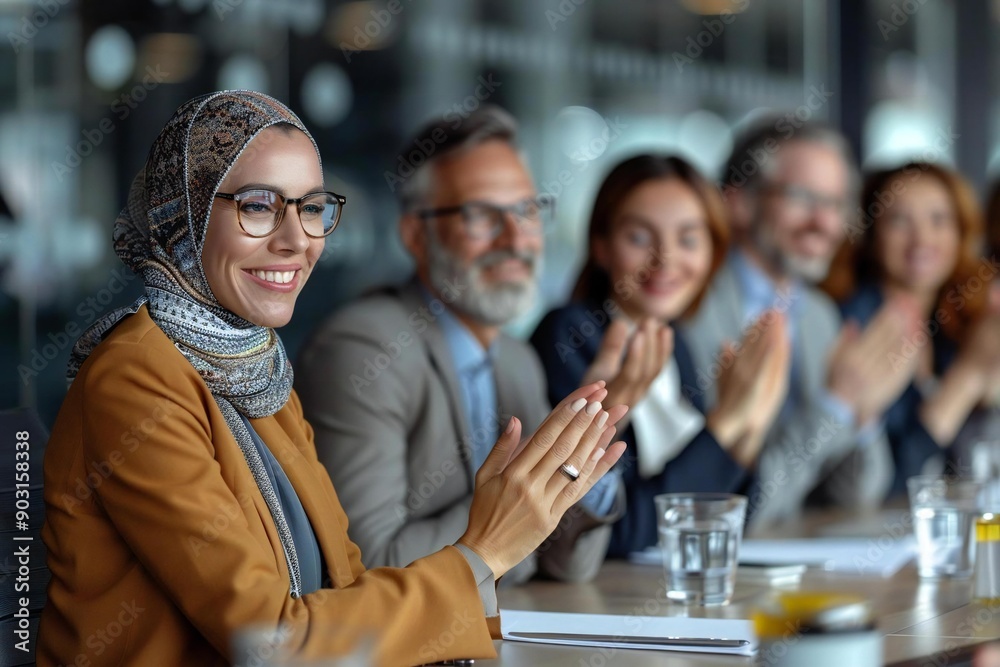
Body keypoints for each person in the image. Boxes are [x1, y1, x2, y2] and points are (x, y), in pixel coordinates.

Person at [38, 91, 626, 666]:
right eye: (259, 205)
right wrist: (485, 550)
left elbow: (346, 581)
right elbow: (270, 643)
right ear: (185, 215)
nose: (296, 239)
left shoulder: (257, 367)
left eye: (312, 207)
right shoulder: (136, 375)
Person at [295, 106, 668, 584]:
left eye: (527, 210)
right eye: (480, 215)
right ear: (416, 234)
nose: (516, 238)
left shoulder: (516, 360)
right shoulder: (365, 350)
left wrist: (585, 442)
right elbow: (367, 568)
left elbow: (567, 564)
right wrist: (522, 501)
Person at [531, 154, 791, 555]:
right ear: (601, 246)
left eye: (688, 239)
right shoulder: (568, 333)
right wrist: (726, 423)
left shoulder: (676, 341)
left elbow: (726, 511)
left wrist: (750, 428)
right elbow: (621, 531)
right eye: (639, 237)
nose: (665, 260)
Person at [681, 119, 923, 526]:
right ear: (740, 203)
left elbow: (856, 493)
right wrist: (835, 405)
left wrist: (861, 411)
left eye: (835, 204)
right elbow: (735, 503)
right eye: (802, 198)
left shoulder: (819, 314)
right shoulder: (695, 309)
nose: (825, 223)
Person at [824, 161, 1000, 495]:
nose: (922, 238)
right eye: (899, 220)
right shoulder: (845, 327)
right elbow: (886, 491)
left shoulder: (957, 325)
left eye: (939, 220)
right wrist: (967, 379)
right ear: (871, 233)